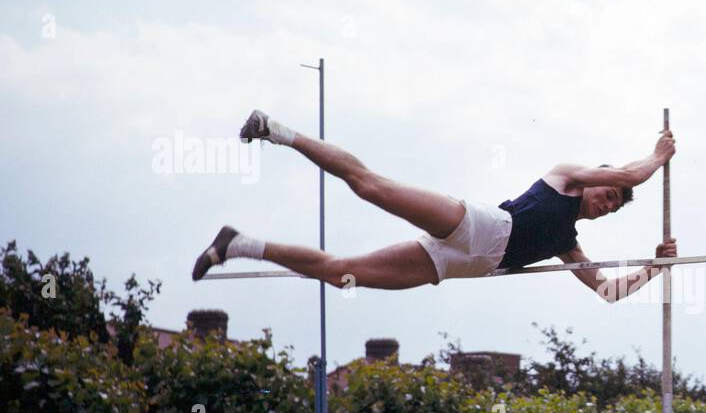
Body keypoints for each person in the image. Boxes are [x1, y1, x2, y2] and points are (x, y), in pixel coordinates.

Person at [192, 110, 678, 300]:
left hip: (458, 264)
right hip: (480, 228)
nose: (604, 204)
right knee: (371, 187)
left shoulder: (567, 244)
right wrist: (657, 157)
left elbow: (608, 293)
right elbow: (631, 173)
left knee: (340, 272)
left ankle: (238, 244)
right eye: (608, 195)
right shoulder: (567, 177)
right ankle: (276, 130)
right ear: (597, 180)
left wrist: (658, 266)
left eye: (610, 209)